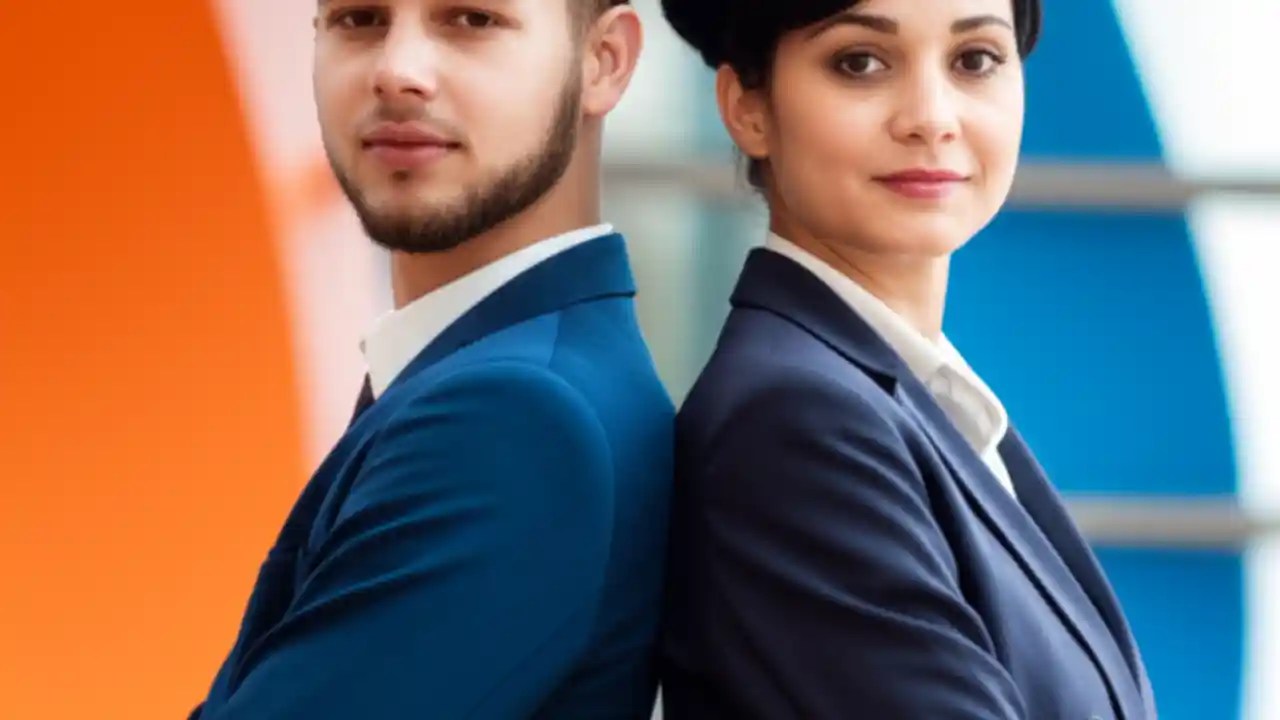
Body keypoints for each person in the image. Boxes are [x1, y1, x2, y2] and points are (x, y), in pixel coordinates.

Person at [657, 1, 1158, 718]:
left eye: (974, 60)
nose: (931, 116)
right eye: (860, 62)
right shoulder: (797, 423)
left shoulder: (914, 399)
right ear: (749, 108)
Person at [190, 1, 673, 718]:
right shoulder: (509, 375)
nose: (396, 72)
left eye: (471, 19)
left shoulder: (517, 421)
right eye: (359, 19)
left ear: (603, 61)